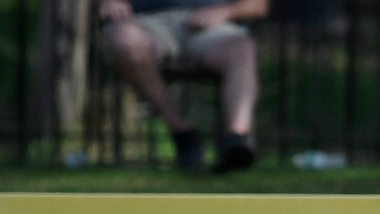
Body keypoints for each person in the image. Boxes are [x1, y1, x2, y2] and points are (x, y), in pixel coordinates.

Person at [97, 0, 268, 172]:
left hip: (215, 26)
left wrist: (226, 12)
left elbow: (258, 5)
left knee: (243, 49)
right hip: (143, 22)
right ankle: (182, 132)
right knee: (124, 39)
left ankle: (237, 139)